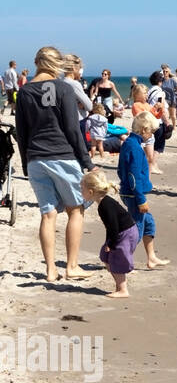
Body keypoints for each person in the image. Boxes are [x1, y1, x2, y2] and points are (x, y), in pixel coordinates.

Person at [14, 46, 95, 281]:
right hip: (62, 155)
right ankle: (71, 266)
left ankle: (50, 270)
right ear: (57, 64)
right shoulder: (63, 88)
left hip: (37, 157)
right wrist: (87, 161)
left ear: (37, 62)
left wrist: (26, 164)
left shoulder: (25, 91)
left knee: (47, 214)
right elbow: (72, 128)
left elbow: (22, 131)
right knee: (75, 210)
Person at [118, 111, 169, 269]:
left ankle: (151, 257)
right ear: (144, 130)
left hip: (130, 192)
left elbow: (121, 170)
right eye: (151, 132)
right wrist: (140, 199)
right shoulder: (134, 148)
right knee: (136, 230)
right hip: (134, 195)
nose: (152, 136)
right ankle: (122, 261)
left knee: (149, 224)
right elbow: (133, 177)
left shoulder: (129, 144)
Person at [81, 168, 139, 298]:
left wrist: (111, 243)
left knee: (116, 258)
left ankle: (123, 290)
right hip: (121, 232)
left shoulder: (105, 205)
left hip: (125, 233)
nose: (81, 192)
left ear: (91, 192)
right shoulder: (103, 203)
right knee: (106, 257)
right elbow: (110, 226)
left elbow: (113, 226)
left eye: (82, 189)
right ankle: (119, 286)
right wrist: (109, 242)